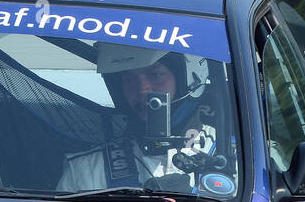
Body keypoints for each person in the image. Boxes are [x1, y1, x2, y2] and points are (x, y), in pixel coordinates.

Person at [56, 43, 219, 192]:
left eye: (155, 75)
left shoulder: (235, 156)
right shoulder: (86, 171)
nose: (142, 90)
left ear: (188, 81)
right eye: (129, 79)